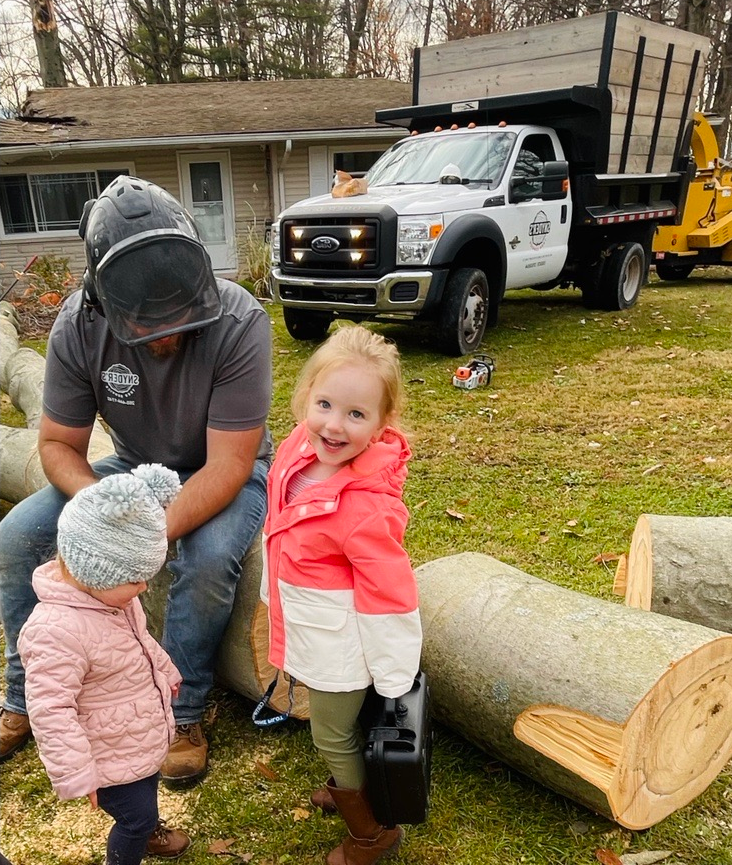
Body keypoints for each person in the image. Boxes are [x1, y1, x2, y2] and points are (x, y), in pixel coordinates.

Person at [0, 176, 273, 793]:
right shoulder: (78, 326)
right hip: (129, 469)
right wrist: (98, 506)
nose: (170, 334)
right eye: (151, 325)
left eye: (180, 314)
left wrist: (144, 536)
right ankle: (23, 699)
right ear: (105, 301)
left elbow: (228, 466)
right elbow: (58, 446)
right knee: (16, 537)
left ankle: (183, 713)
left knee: (204, 561)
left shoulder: (240, 322)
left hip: (227, 469)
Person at [262, 325, 422, 865]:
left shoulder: (366, 507)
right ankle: (347, 784)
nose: (334, 425)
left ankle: (372, 834)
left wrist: (395, 671)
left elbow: (390, 591)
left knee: (331, 732)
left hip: (343, 644)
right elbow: (278, 524)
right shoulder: (297, 449)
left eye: (356, 414)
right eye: (325, 404)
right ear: (306, 395)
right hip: (312, 626)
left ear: (382, 423)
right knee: (339, 725)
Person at [18, 465, 190, 862]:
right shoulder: (55, 631)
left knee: (145, 792)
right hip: (105, 756)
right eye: (136, 579)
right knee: (134, 817)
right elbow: (50, 710)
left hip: (132, 737)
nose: (144, 587)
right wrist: (78, 774)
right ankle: (135, 841)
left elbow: (139, 642)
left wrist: (164, 671)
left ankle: (148, 828)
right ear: (94, 571)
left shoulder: (114, 599)